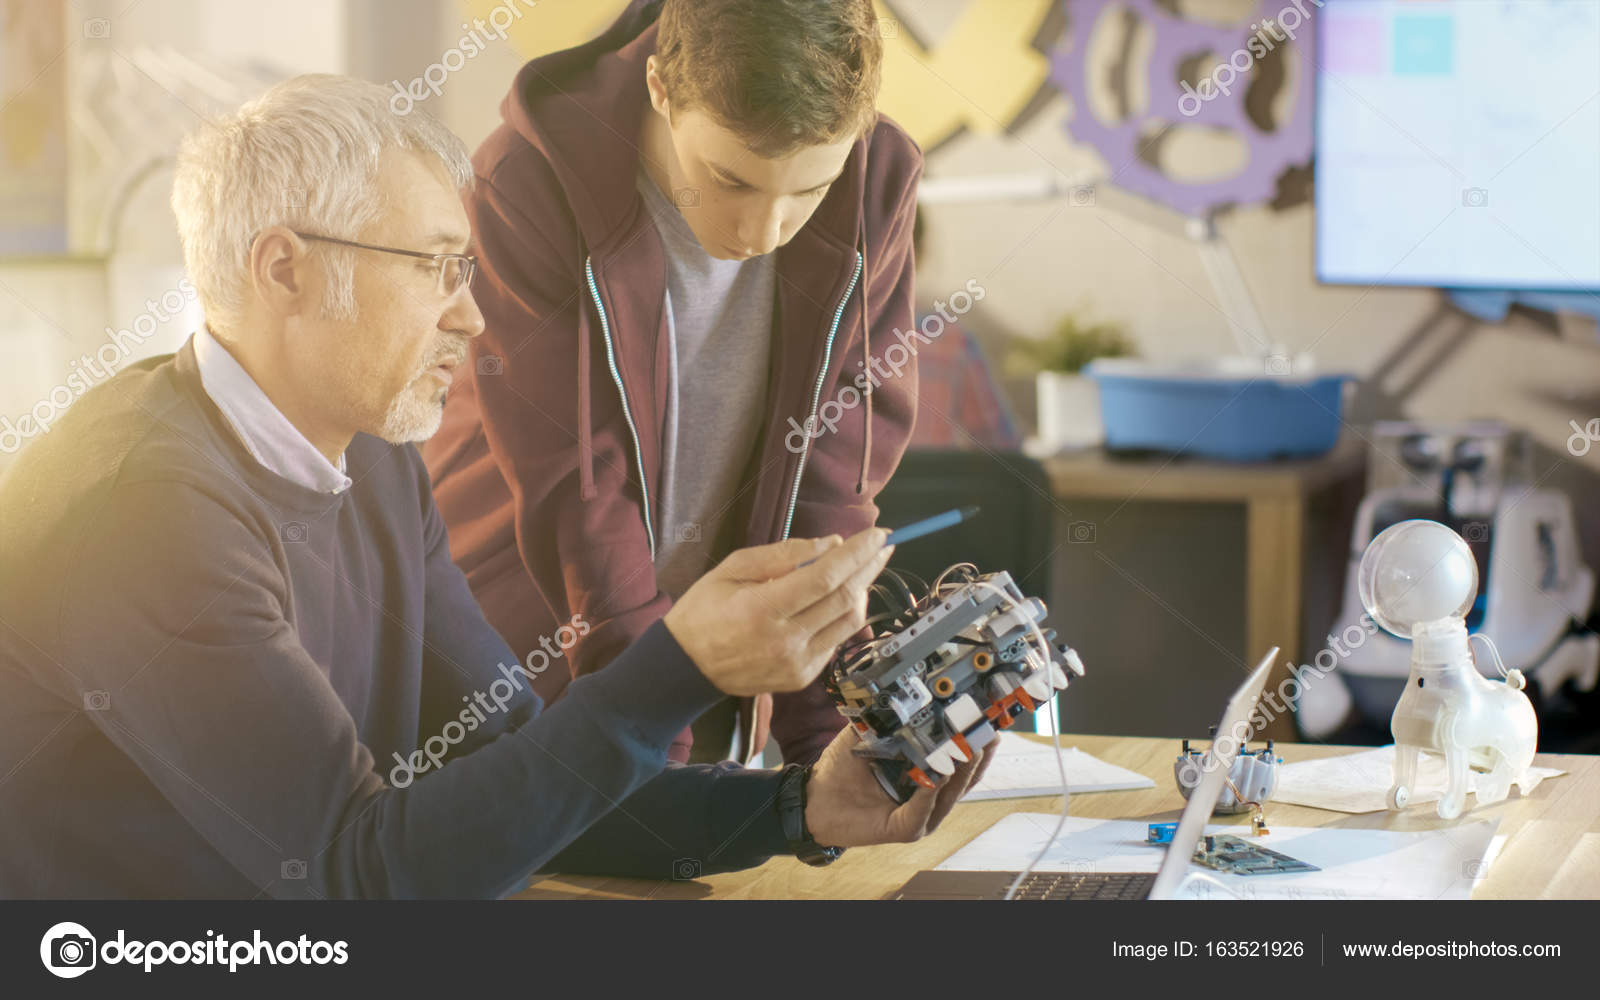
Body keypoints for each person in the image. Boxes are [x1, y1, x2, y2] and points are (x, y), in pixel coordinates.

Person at [0, 76, 990, 899]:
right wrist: (682, 662)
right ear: (284, 272)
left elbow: (519, 785)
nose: (472, 318)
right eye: (435, 269)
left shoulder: (375, 457)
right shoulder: (143, 513)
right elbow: (358, 879)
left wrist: (796, 807)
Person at [423, 0, 922, 767]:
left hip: (714, 700)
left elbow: (830, 483)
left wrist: (833, 742)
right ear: (661, 86)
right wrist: (655, 754)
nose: (761, 235)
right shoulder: (524, 182)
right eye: (731, 179)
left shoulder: (875, 180)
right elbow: (581, 498)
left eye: (808, 191)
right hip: (517, 678)